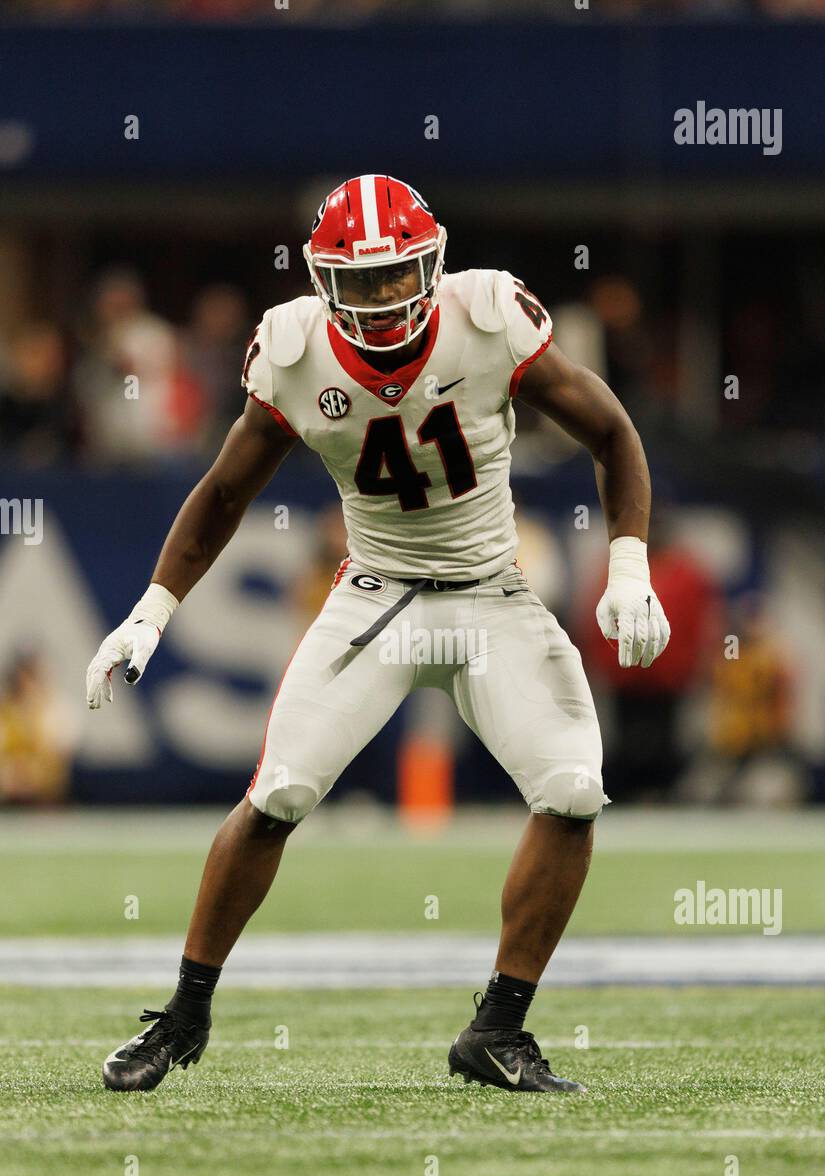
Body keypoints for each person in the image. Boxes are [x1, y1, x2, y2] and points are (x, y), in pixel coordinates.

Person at [87, 175, 670, 1094]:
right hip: (377, 595)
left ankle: (498, 1029)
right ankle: (185, 1012)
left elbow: (614, 434)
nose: (379, 301)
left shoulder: (490, 318)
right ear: (323, 284)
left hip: (493, 591)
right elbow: (224, 493)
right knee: (277, 791)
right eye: (356, 285)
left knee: (571, 787)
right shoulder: (291, 352)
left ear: (431, 267)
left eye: (396, 278)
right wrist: (150, 611)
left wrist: (628, 562)